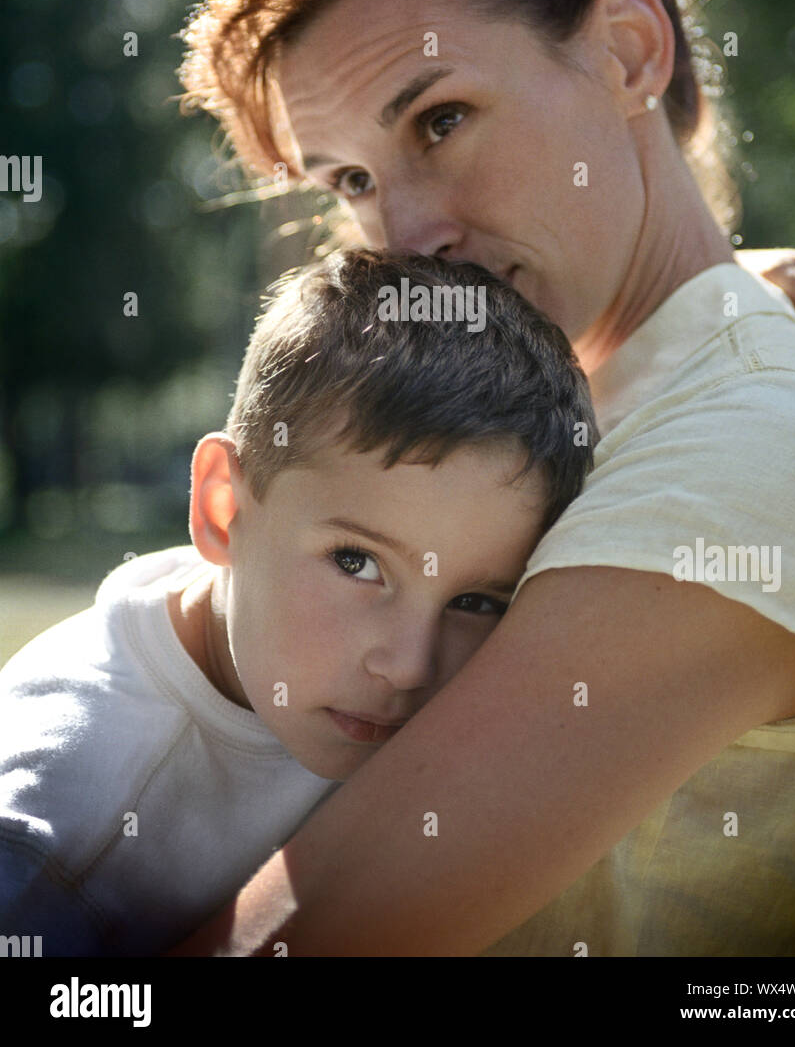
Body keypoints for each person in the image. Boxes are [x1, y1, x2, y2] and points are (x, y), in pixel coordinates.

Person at [173, 0, 795, 957]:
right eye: (351, 181)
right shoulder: (567, 428)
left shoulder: (760, 453)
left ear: (626, 50)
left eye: (442, 118)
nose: (406, 234)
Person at [0, 249, 595, 955]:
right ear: (222, 509)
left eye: (475, 600)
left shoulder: (275, 617)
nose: (408, 665)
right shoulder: (53, 838)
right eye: (356, 562)